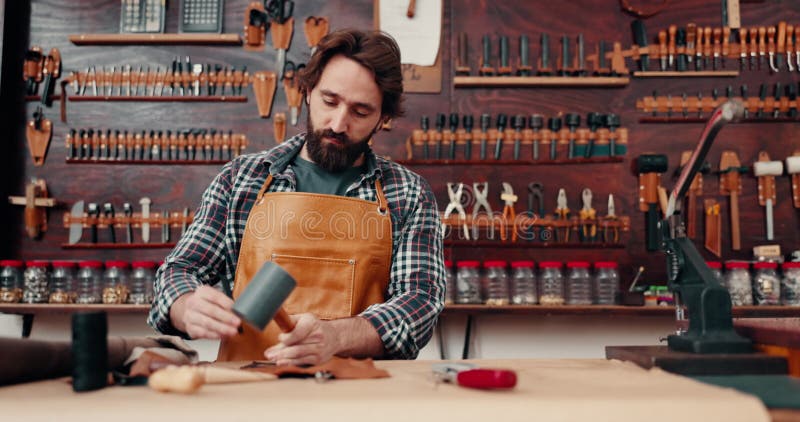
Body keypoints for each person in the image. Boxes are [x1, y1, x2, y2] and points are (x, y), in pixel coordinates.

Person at [148, 28, 445, 365]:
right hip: (249, 391)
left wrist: (338, 336)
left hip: (359, 396)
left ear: (384, 118)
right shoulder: (241, 179)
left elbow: (420, 303)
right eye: (329, 101)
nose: (338, 123)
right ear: (307, 92)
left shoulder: (408, 195)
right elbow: (179, 270)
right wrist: (185, 305)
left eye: (360, 112)